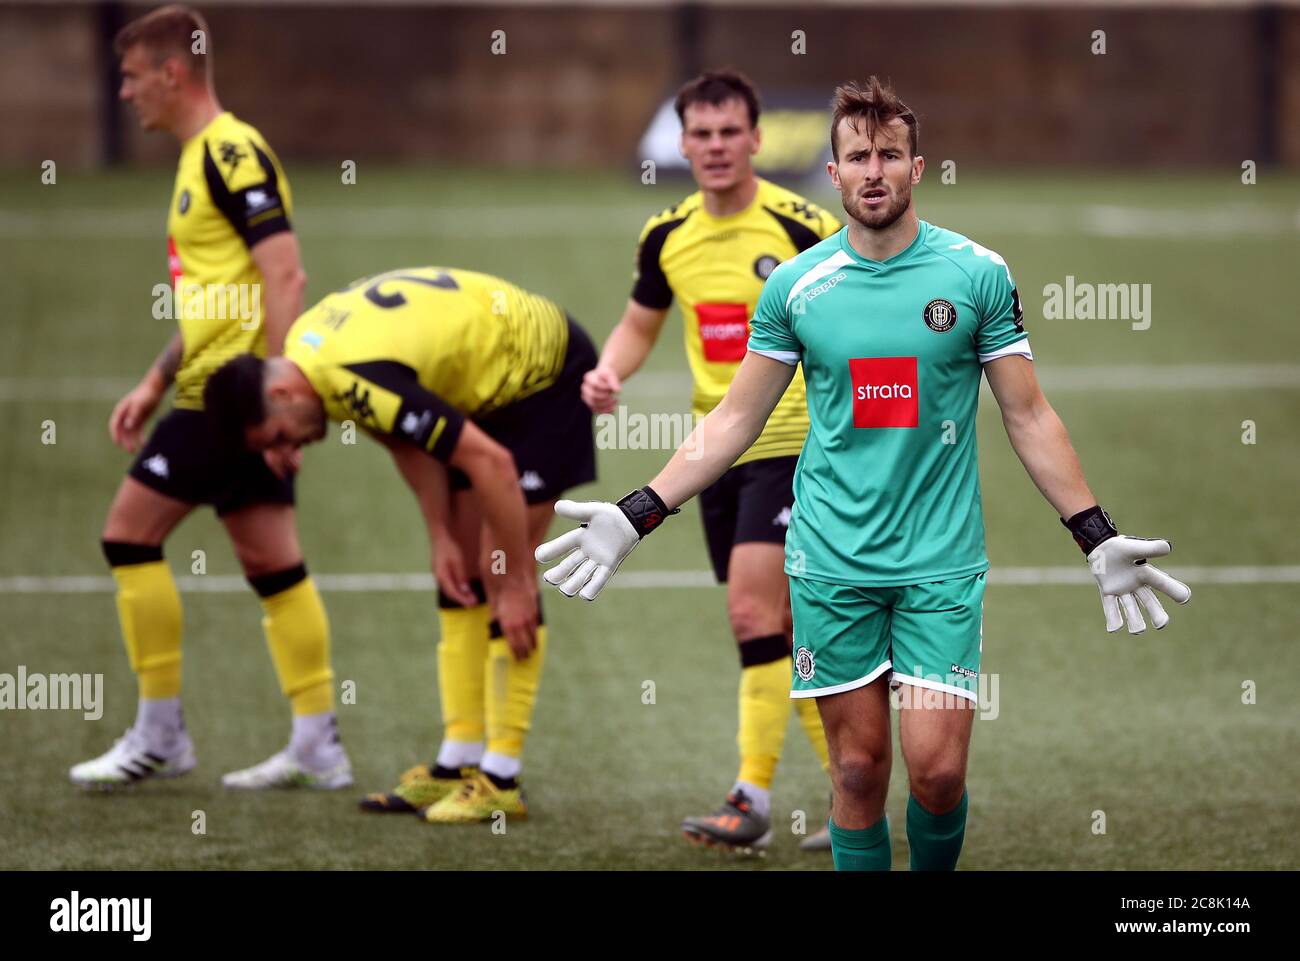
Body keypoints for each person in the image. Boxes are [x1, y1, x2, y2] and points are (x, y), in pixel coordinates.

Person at [536, 77, 1191, 870]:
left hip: (939, 561)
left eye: (889, 154)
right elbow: (736, 420)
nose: (873, 170)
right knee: (855, 769)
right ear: (834, 173)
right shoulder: (797, 287)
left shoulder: (976, 273)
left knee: (939, 771)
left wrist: (1096, 532)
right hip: (830, 561)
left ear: (917, 169)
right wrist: (640, 509)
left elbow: (1028, 414)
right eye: (856, 156)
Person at [203, 266, 597, 823]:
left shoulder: (348, 373)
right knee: (459, 571)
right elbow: (402, 438)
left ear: (283, 392)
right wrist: (439, 533)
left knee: (496, 566)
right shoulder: (308, 360)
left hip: (545, 376)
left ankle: (502, 776)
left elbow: (494, 465)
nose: (288, 453)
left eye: (279, 438)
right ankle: (458, 761)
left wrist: (513, 584)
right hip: (482, 383)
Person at [73, 5, 350, 790]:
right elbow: (214, 297)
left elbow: (286, 273)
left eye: (131, 78)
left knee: (127, 538)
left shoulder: (230, 151)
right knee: (273, 562)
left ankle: (161, 734)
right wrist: (155, 378)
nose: (124, 94)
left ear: (172, 72)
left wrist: (275, 396)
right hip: (211, 389)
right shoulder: (202, 157)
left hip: (229, 399)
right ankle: (317, 742)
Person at [582, 69, 840, 853]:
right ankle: (854, 795)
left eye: (732, 132)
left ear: (758, 139)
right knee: (780, 633)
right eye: (703, 133)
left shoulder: (802, 227)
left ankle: (750, 797)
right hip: (714, 454)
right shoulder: (666, 235)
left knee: (754, 616)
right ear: (682, 142)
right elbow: (639, 321)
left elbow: (855, 324)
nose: (718, 147)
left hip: (794, 446)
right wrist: (610, 371)